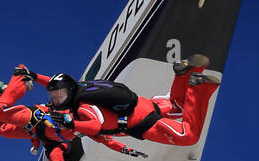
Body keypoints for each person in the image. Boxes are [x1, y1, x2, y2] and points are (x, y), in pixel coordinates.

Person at [0, 68, 147, 161]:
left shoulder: (87, 129)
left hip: (39, 132)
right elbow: (56, 86)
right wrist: (34, 76)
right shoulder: (77, 106)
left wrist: (127, 150)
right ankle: (18, 81)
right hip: (40, 116)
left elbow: (108, 141)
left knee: (5, 130)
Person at [30, 54, 221, 150]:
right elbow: (58, 85)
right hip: (149, 104)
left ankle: (199, 88)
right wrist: (35, 76)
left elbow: (95, 125)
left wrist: (72, 124)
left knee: (188, 136)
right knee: (179, 105)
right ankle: (187, 72)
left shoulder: (80, 110)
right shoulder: (78, 91)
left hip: (143, 121)